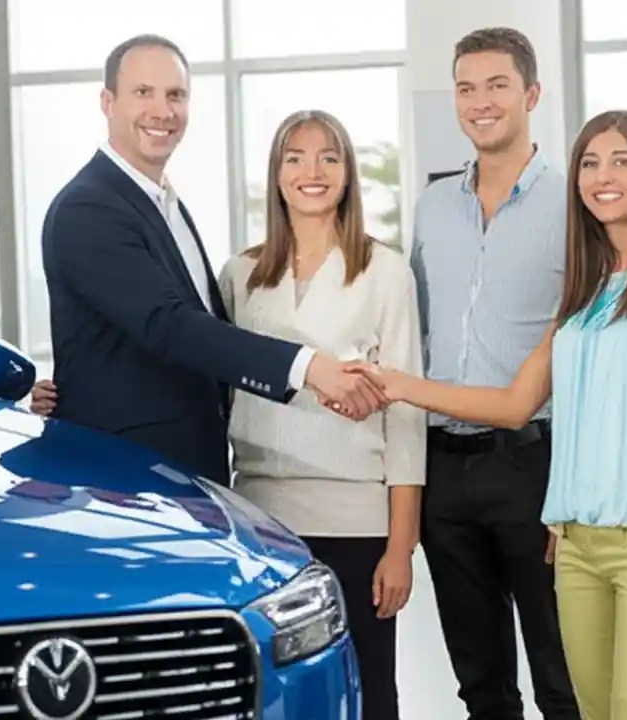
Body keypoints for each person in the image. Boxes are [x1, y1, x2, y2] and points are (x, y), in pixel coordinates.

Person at [363, 109, 627, 720]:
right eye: (589, 162)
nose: (602, 176)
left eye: (621, 161)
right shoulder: (583, 292)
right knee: (588, 711)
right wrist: (399, 384)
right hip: (574, 544)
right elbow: (510, 405)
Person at [31, 34, 385, 485]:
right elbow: (167, 325)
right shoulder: (90, 208)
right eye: (144, 93)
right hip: (128, 476)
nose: (163, 111)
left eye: (176, 95)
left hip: (189, 469)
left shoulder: (165, 204)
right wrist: (309, 367)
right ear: (107, 102)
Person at [217, 109, 425, 720]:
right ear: (276, 175)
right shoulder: (240, 276)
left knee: (367, 690)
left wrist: (401, 546)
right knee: (276, 696)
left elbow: (407, 418)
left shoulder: (385, 272)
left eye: (329, 157)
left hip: (356, 522)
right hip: (260, 522)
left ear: (347, 173)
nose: (313, 171)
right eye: (296, 158)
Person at [406, 26, 579, 720]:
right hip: (444, 471)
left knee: (561, 676)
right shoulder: (430, 207)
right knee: (479, 683)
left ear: (532, 94)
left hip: (532, 464)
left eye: (497, 85)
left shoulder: (574, 204)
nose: (480, 102)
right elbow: (411, 328)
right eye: (466, 87)